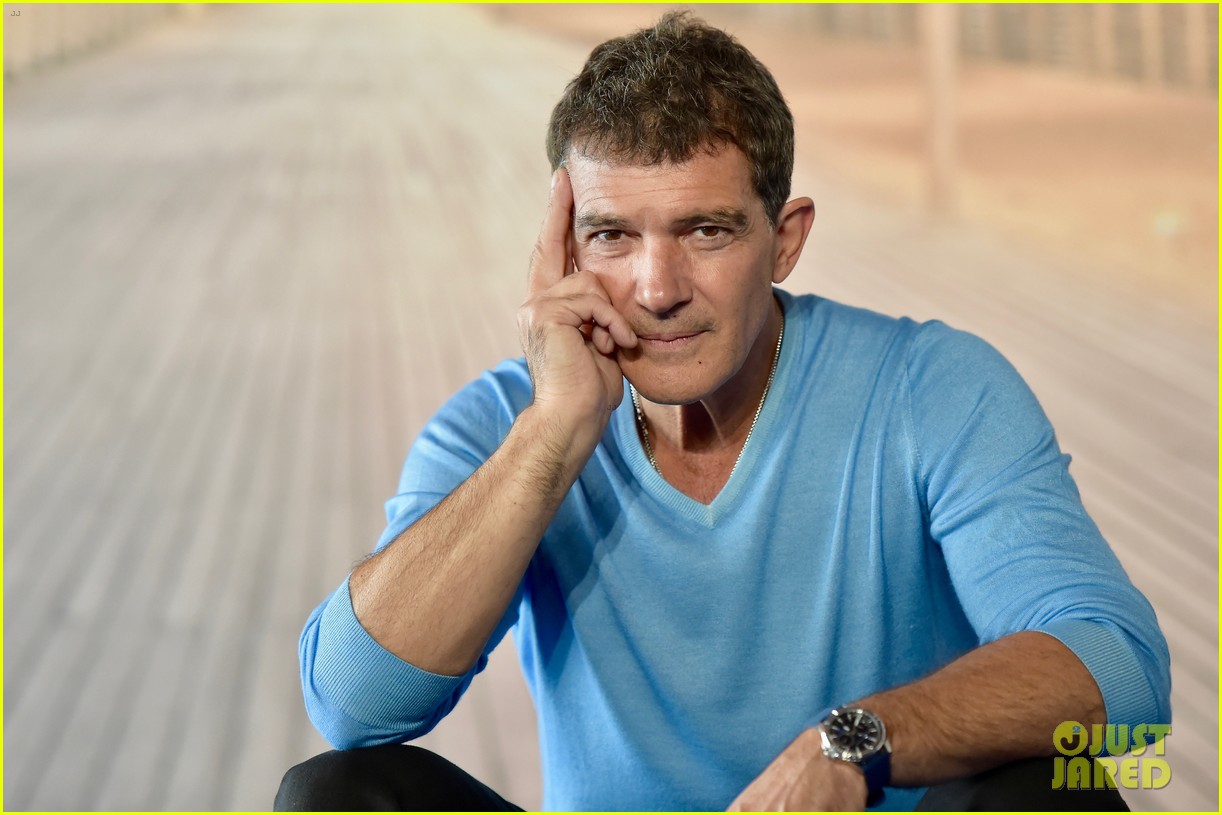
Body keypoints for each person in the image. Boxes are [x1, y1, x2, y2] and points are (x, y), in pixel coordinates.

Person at [277, 12, 1170, 811]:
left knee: (1056, 786)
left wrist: (850, 741)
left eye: (706, 231)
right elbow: (351, 707)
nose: (657, 289)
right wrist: (552, 438)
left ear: (784, 240)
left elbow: (1125, 682)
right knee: (336, 796)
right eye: (613, 235)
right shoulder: (507, 426)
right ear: (563, 248)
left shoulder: (930, 386)